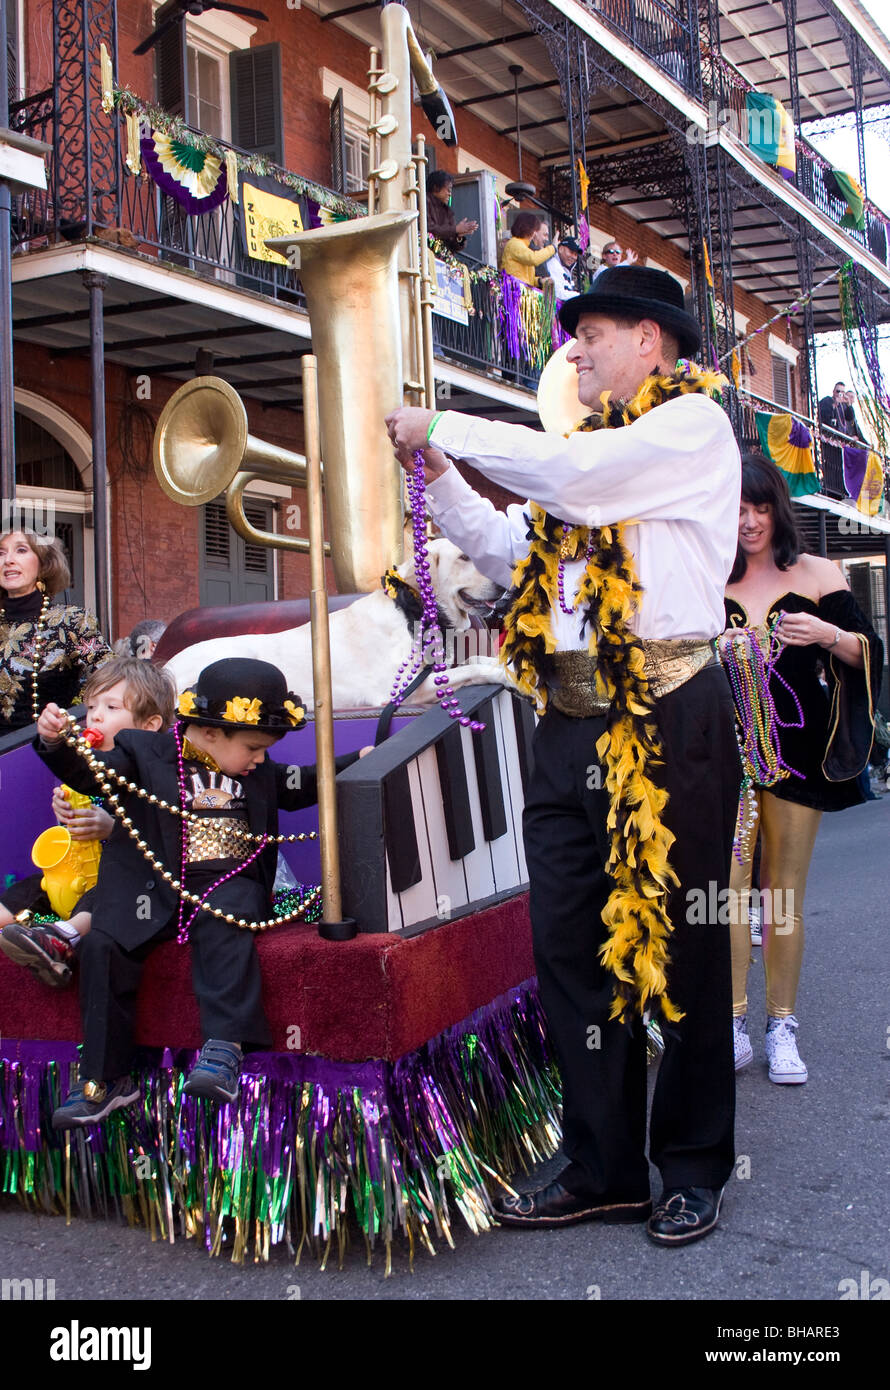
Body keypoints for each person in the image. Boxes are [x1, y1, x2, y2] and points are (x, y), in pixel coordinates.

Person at [386, 266, 743, 1246]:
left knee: (677, 949)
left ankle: (692, 1167)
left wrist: (441, 425)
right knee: (571, 953)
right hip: (568, 722)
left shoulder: (685, 431)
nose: (573, 346)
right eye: (571, 331)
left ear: (651, 344)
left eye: (592, 331)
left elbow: (579, 482)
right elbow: (512, 557)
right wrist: (444, 481)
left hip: (666, 713)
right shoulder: (587, 461)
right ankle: (602, 1167)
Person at [35, 657, 365, 1127]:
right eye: (253, 746)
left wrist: (358, 761)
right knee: (105, 943)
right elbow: (91, 773)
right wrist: (54, 742)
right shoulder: (142, 751)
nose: (259, 758)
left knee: (226, 915)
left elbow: (305, 782)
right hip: (156, 887)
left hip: (228, 882)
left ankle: (224, 1046)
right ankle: (105, 1079)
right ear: (210, 732)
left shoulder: (260, 771)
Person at [722, 453, 881, 1084]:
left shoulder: (817, 573)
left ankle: (781, 1027)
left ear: (777, 510)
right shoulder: (706, 577)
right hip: (727, 761)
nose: (750, 521)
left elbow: (869, 651)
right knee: (723, 895)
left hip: (800, 758)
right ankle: (730, 1022)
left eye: (760, 507)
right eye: (737, 508)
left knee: (781, 896)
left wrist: (824, 633)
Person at [0, 657, 175, 987]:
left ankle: (63, 938)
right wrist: (64, 814)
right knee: (30, 888)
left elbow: (163, 835)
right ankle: (16, 931)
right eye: (91, 705)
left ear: (149, 725)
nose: (94, 715)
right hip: (80, 874)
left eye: (111, 707)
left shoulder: (155, 773)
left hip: (132, 886)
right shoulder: (85, 766)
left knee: (105, 893)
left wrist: (112, 828)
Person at [0, 528, 111, 730]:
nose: (8, 560)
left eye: (21, 550)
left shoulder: (71, 622)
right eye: (1, 552)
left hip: (44, 753)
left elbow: (114, 681)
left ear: (43, 563)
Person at [425, 171, 478, 253]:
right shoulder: (424, 200)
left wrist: (459, 236)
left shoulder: (447, 211)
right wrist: (455, 229)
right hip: (426, 253)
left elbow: (453, 245)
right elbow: (428, 228)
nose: (450, 194)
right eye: (448, 190)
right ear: (436, 187)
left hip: (442, 258)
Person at [500, 211, 555, 287]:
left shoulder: (523, 245)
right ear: (527, 229)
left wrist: (539, 281)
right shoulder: (514, 243)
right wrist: (553, 248)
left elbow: (528, 279)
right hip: (514, 291)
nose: (534, 234)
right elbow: (533, 259)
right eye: (534, 230)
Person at [542, 237, 582, 301]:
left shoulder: (565, 269)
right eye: (571, 252)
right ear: (560, 249)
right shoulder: (553, 264)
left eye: (576, 255)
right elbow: (557, 294)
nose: (573, 257)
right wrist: (579, 296)